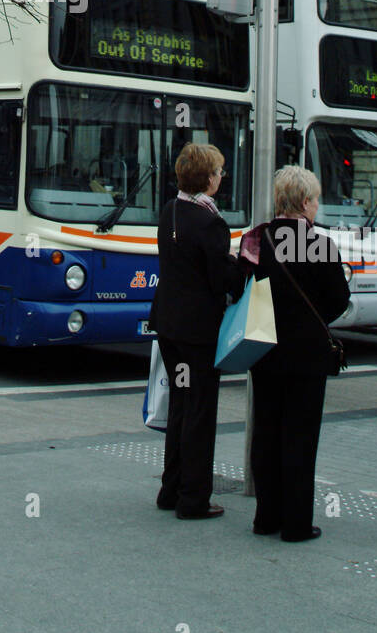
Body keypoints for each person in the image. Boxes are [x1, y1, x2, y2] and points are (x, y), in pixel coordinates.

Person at [240, 166, 350, 542]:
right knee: (300, 436)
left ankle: (265, 516)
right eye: (316, 199)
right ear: (304, 202)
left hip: (263, 348)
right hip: (306, 354)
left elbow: (241, 290)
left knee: (266, 430)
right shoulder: (320, 245)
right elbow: (339, 300)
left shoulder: (255, 241)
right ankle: (296, 523)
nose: (318, 206)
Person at [148, 142, 244, 519]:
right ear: (207, 180)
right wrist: (240, 265)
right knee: (200, 413)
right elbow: (221, 280)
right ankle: (193, 499)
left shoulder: (170, 210)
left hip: (169, 327)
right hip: (198, 334)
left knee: (181, 405)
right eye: (219, 172)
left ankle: (170, 489)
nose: (222, 177)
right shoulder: (211, 222)